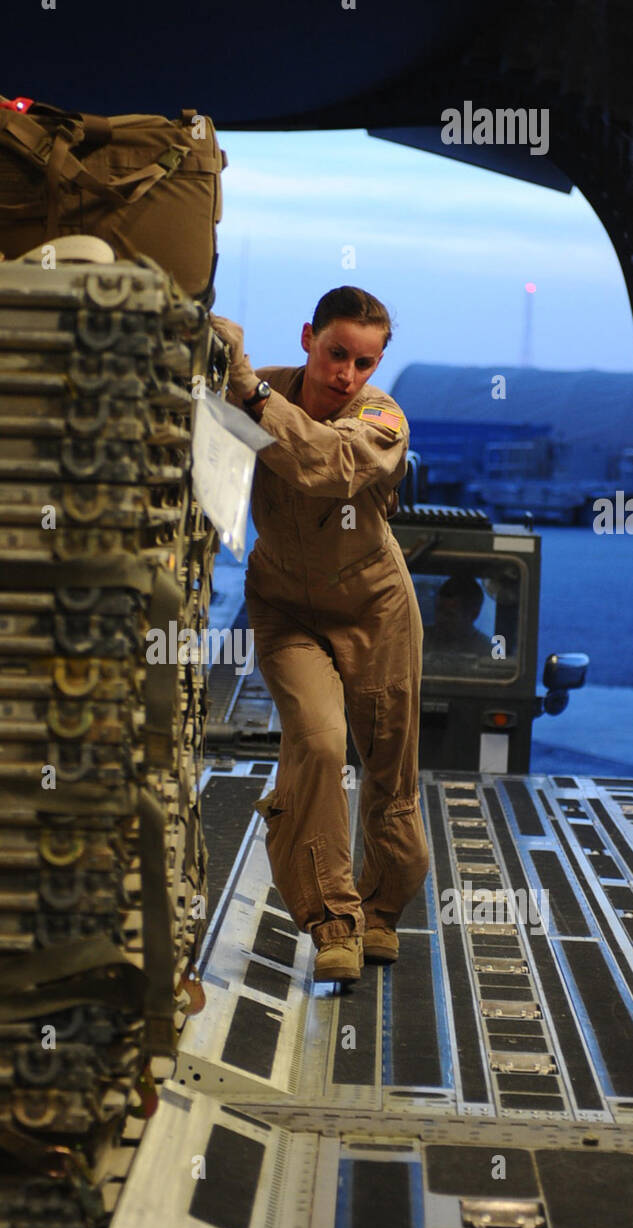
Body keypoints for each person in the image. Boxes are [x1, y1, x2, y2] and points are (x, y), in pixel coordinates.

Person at [209, 287, 429, 984]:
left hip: (375, 607)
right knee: (317, 741)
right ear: (308, 337)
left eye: (364, 362)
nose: (347, 375)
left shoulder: (379, 417)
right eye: (336, 354)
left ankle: (382, 910)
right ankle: (332, 920)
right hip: (283, 606)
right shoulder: (253, 389)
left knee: (390, 771)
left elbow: (326, 465)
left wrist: (246, 395)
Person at [422, 574, 494, 660]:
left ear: (473, 615)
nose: (440, 619)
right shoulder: (421, 639)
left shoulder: (487, 651)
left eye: (449, 614)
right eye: (438, 610)